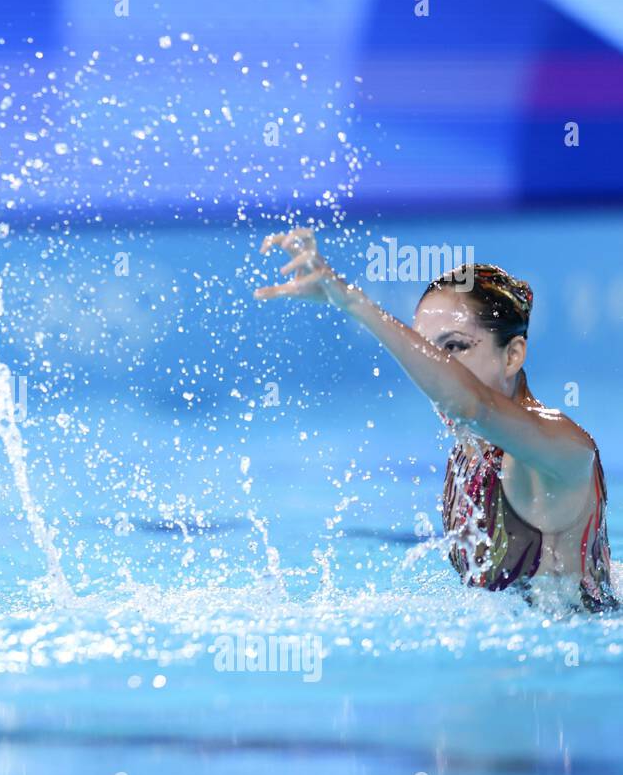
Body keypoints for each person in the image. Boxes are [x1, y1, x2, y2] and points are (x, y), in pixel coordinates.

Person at [256, 228, 613, 611]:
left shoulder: (563, 450)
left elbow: (472, 405)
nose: (436, 371)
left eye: (454, 347)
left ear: (512, 356)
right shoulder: (471, 451)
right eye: (427, 353)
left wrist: (353, 303)